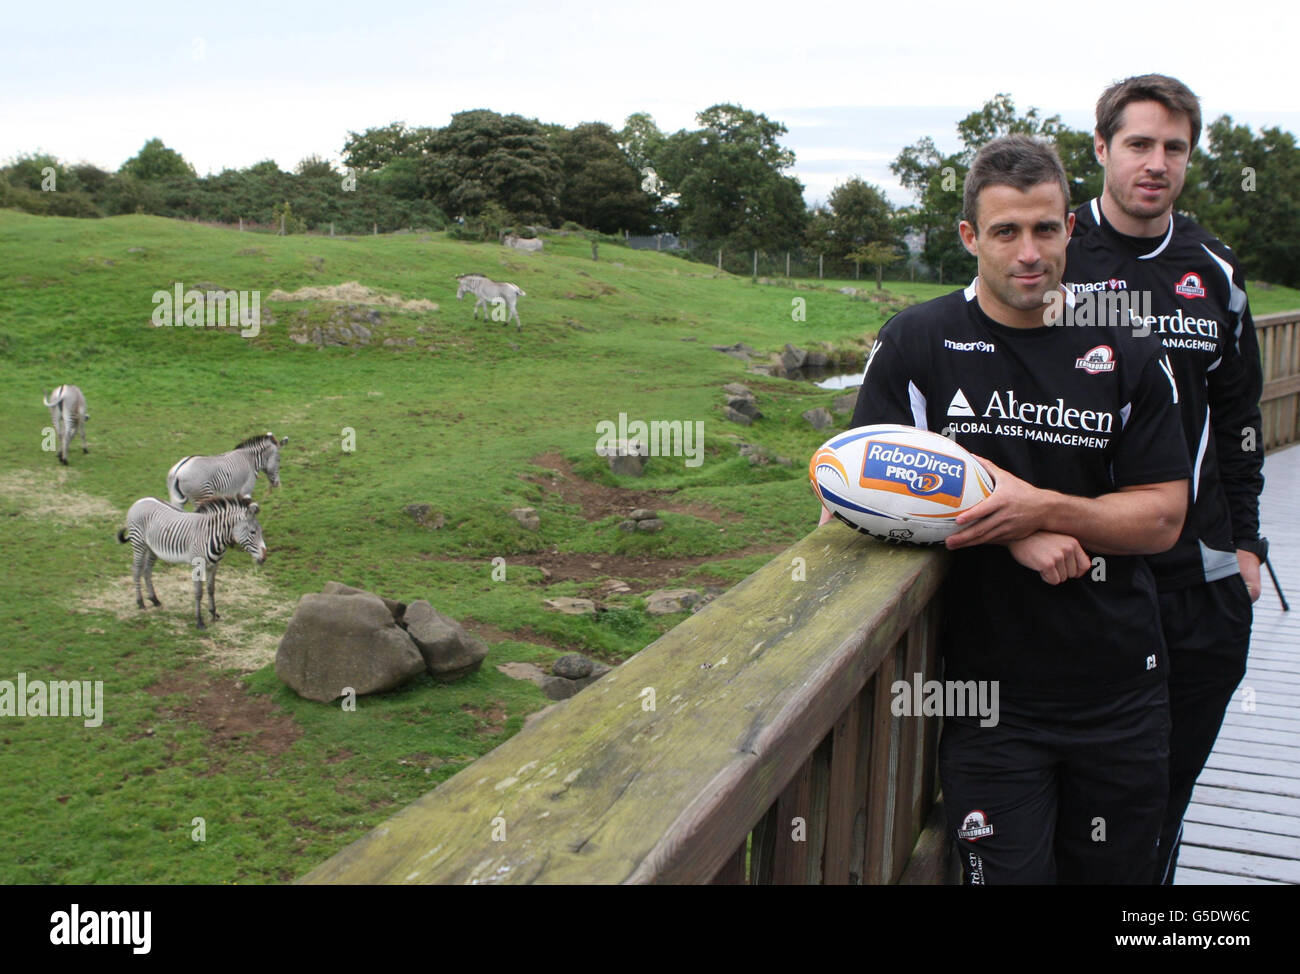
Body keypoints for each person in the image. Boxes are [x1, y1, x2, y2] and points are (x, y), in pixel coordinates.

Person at [846, 135, 1190, 883]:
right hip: (988, 699)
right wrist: (1009, 533)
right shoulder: (918, 341)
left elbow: (1163, 516)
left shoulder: (1126, 343)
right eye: (1006, 231)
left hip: (1120, 688)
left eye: (1044, 228)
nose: (1029, 252)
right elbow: (856, 490)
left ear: (1069, 227)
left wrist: (1043, 509)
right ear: (971, 237)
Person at [1063, 74, 1265, 885]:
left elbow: (1242, 415)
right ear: (1103, 148)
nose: (1157, 163)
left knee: (1161, 804)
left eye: (1173, 147)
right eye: (1139, 144)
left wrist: (1246, 543)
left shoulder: (1213, 269)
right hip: (1087, 576)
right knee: (1084, 803)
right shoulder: (1059, 254)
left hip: (1198, 583)